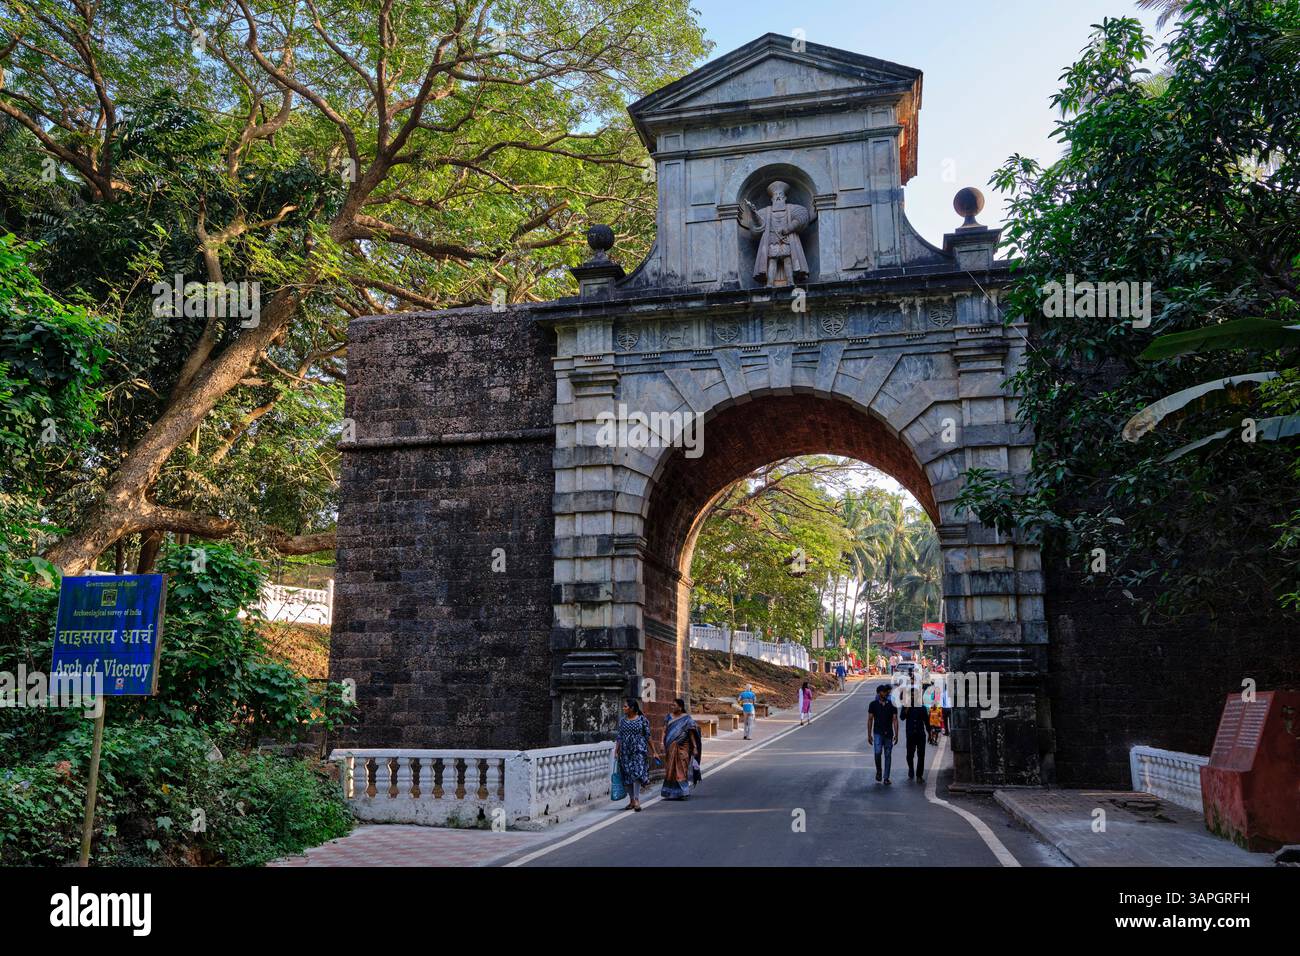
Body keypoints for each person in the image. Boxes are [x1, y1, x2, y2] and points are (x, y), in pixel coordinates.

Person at [615, 698, 654, 811]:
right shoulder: (623, 720)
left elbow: (648, 736)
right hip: (625, 751)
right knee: (627, 775)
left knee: (637, 773)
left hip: (639, 750)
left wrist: (654, 751)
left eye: (626, 706)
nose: (624, 708)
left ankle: (636, 799)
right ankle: (631, 800)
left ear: (632, 708)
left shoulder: (642, 720)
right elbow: (619, 736)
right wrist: (617, 750)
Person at [661, 698, 700, 800]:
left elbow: (691, 734)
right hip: (670, 746)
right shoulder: (668, 717)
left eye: (674, 705)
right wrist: (661, 743)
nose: (672, 707)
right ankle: (670, 792)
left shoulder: (687, 719)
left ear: (680, 707)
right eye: (672, 705)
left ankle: (683, 792)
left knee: (681, 768)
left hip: (683, 747)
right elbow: (664, 731)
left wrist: (695, 747)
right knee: (670, 769)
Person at [866, 683, 899, 785]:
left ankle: (886, 777)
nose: (885, 693)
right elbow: (870, 719)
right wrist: (869, 734)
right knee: (877, 753)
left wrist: (896, 734)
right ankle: (879, 771)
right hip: (877, 733)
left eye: (886, 692)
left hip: (889, 733)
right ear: (879, 693)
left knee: (888, 755)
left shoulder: (892, 704)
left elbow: (895, 720)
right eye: (883, 692)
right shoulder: (873, 705)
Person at [900, 684, 930, 784]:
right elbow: (902, 717)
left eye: (915, 695)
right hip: (910, 734)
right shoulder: (905, 706)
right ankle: (911, 768)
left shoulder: (922, 707)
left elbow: (926, 721)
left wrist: (930, 733)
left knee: (921, 755)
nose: (913, 697)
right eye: (911, 695)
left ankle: (919, 775)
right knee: (909, 755)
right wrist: (907, 708)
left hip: (921, 734)